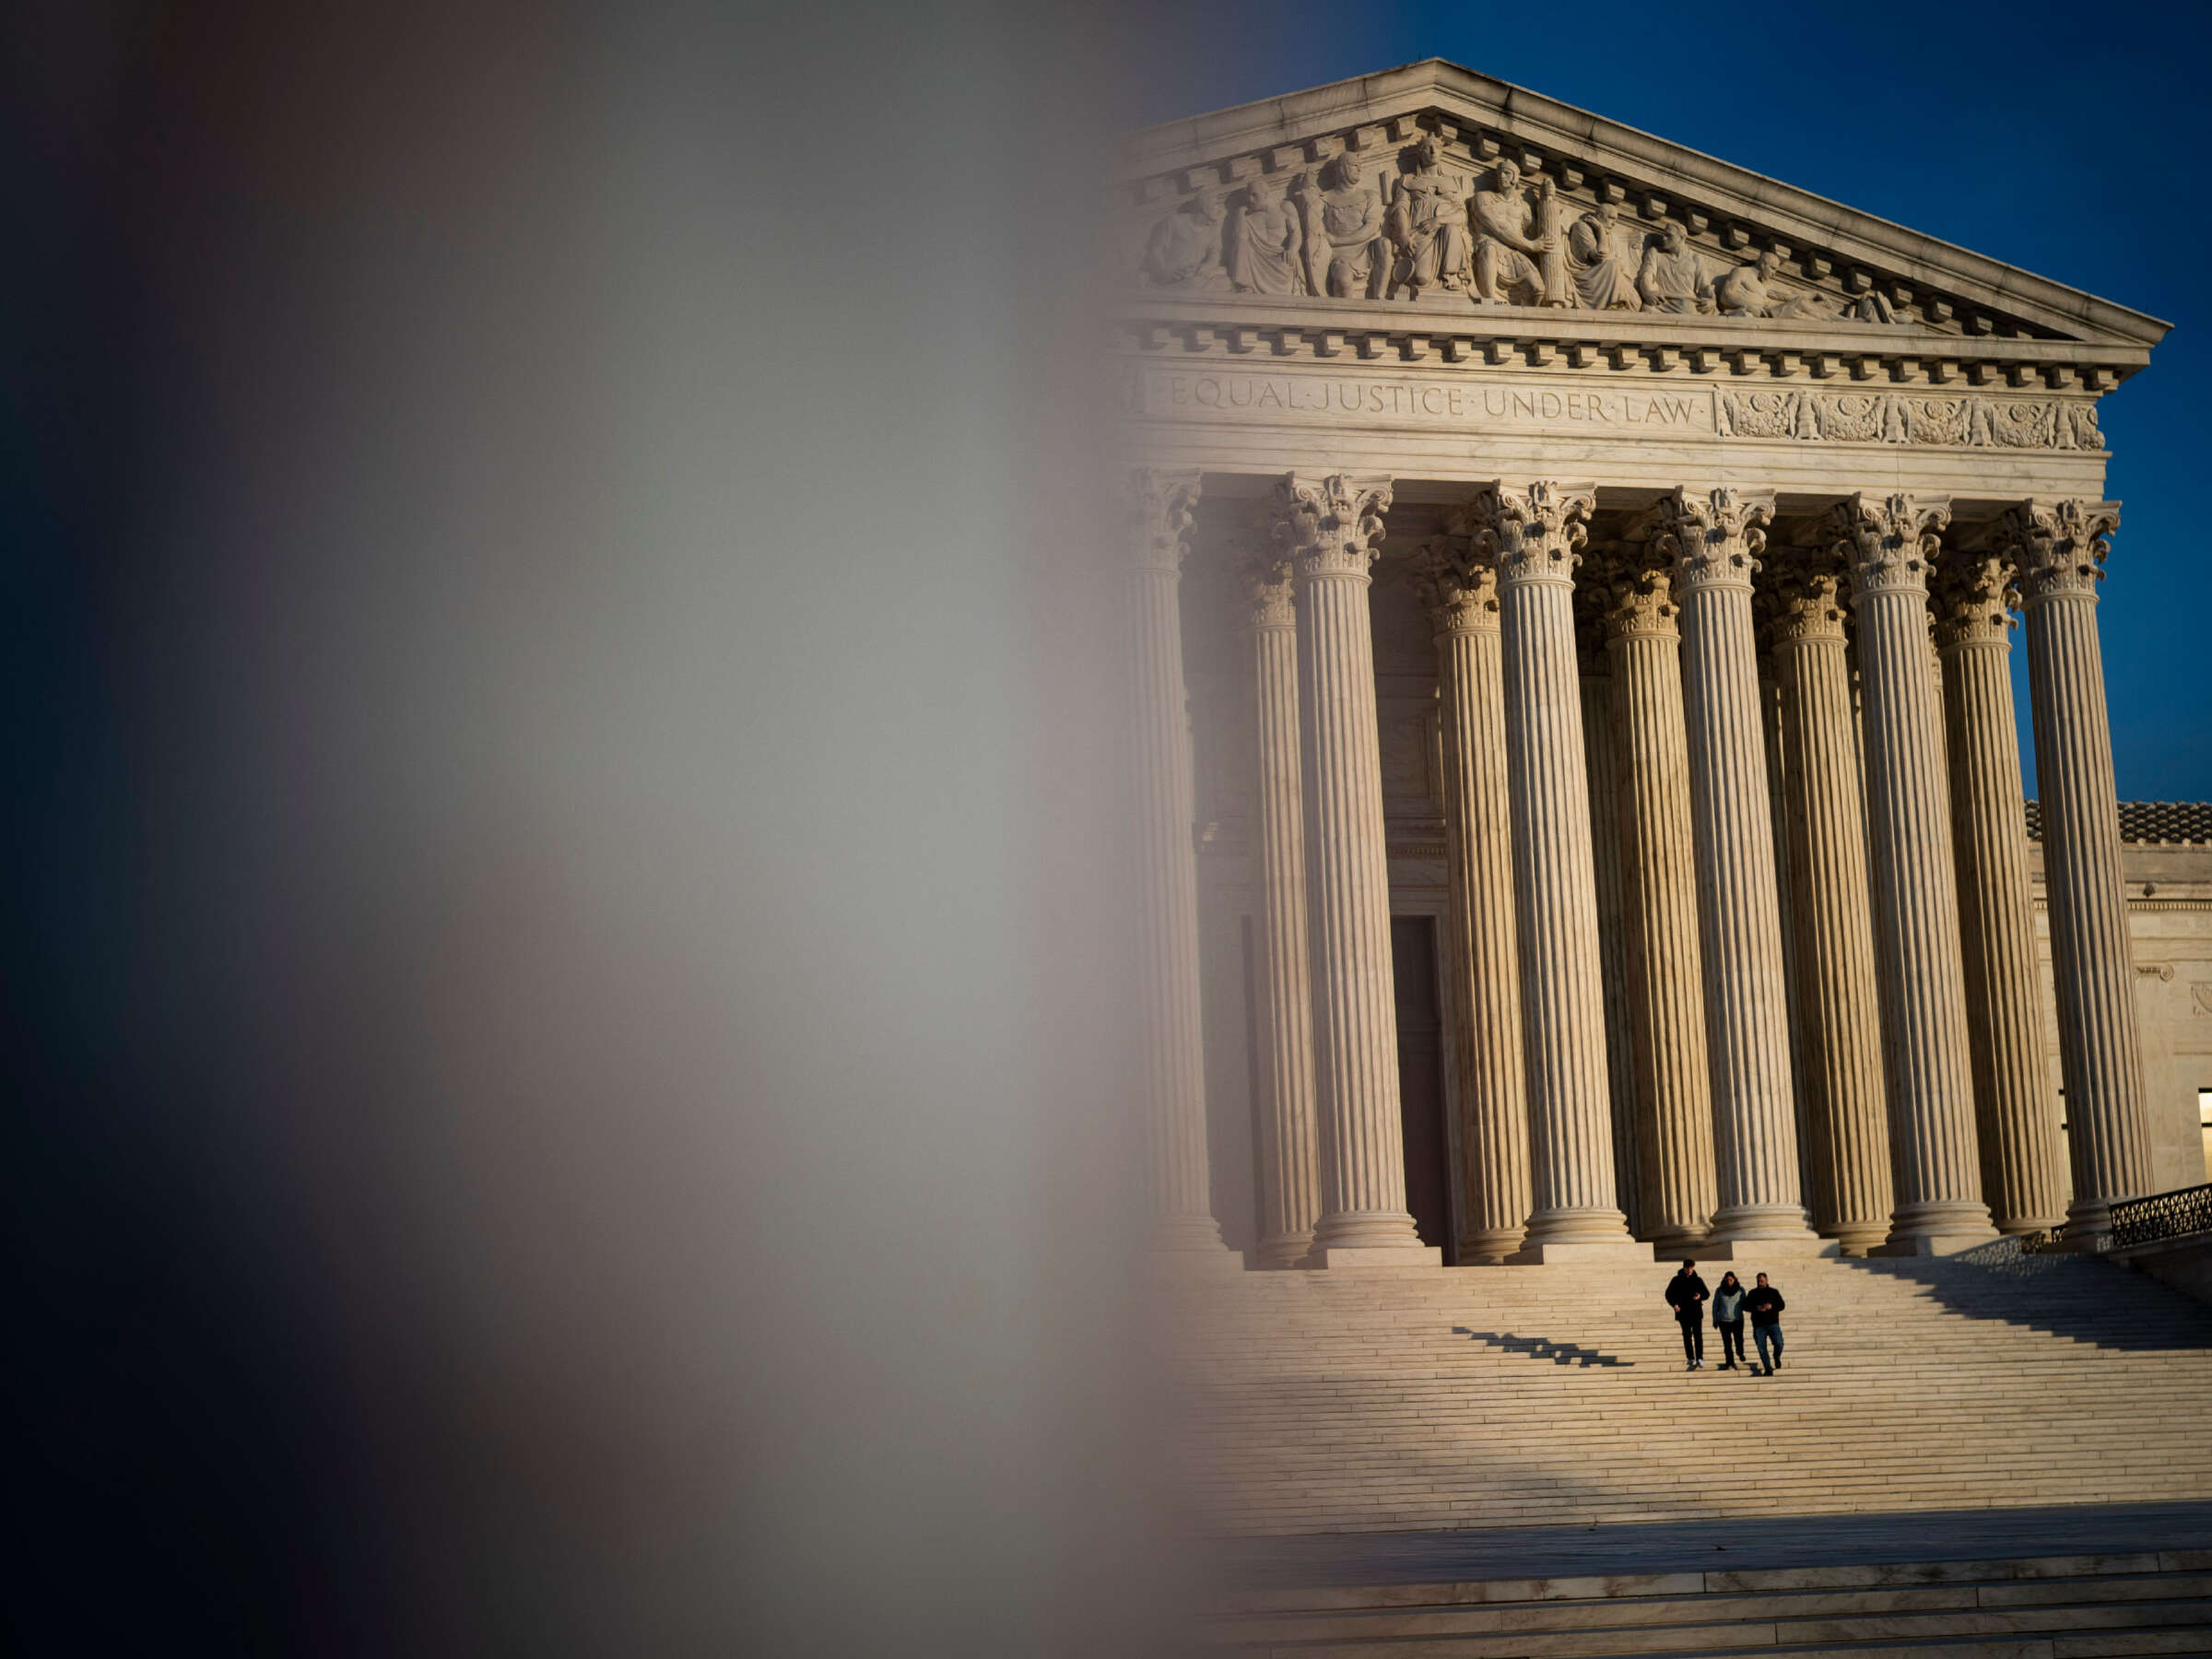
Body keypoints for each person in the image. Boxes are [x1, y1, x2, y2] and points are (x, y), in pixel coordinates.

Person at [1664, 1258, 1709, 1371]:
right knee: (1687, 1336)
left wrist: (1700, 1296)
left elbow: (1707, 1294)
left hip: (1696, 1312)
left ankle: (1699, 1358)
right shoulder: (1676, 1280)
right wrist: (1674, 1305)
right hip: (1683, 1313)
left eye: (1691, 1268)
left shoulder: (1698, 1280)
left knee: (1698, 1336)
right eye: (1687, 1268)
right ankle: (1690, 1357)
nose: (1689, 1270)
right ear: (1683, 1268)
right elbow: (1668, 1294)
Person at [1746, 1272, 1786, 1375]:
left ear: (1767, 1280)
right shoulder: (1752, 1293)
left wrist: (1771, 1306)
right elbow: (1745, 1306)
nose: (1760, 1283)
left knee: (1779, 1343)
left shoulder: (1774, 1292)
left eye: (1762, 1281)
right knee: (1762, 1348)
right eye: (1759, 1281)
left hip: (1773, 1323)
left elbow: (1782, 1305)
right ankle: (1768, 1368)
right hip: (1759, 1325)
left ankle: (1776, 1357)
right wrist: (1757, 1308)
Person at [1711, 1271, 1747, 1371]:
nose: (1729, 1282)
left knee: (1739, 1340)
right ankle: (1730, 1363)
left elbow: (1746, 1303)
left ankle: (1740, 1352)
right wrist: (1715, 1319)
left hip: (1737, 1320)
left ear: (1735, 1279)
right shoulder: (1719, 1290)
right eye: (1727, 1280)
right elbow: (1715, 1305)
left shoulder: (1741, 1290)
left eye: (1731, 1280)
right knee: (1727, 1344)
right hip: (1724, 1321)